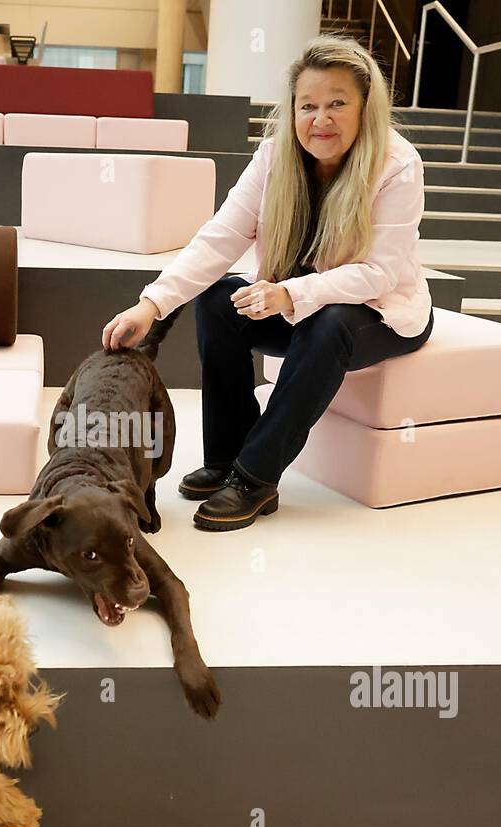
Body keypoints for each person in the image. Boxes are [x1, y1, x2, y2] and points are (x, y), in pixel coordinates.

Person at [102, 33, 434, 532]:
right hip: (295, 304)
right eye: (308, 106)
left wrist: (292, 293)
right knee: (219, 301)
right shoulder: (275, 155)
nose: (320, 120)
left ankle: (256, 476)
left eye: (337, 104)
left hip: (380, 313)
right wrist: (151, 305)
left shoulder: (397, 164)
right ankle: (226, 456)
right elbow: (221, 237)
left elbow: (378, 273)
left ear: (366, 107)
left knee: (330, 324)